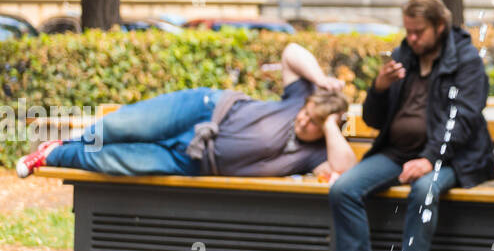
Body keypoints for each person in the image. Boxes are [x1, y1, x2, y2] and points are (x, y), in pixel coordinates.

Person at [329, 0, 494, 251]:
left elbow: (464, 119)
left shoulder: (465, 61)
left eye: (419, 32)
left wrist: (431, 158)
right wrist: (378, 88)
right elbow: (374, 120)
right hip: (396, 153)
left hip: (450, 156)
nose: (413, 38)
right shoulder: (401, 57)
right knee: (343, 189)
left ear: (439, 26)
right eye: (408, 31)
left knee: (423, 189)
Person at [17, 44, 354, 180]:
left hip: (193, 161)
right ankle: (67, 142)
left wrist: (329, 127)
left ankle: (51, 155)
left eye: (312, 123)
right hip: (201, 110)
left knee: (113, 160)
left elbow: (345, 167)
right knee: (122, 126)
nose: (303, 119)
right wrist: (320, 79)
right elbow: (291, 51)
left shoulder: (314, 154)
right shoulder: (301, 95)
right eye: (306, 113)